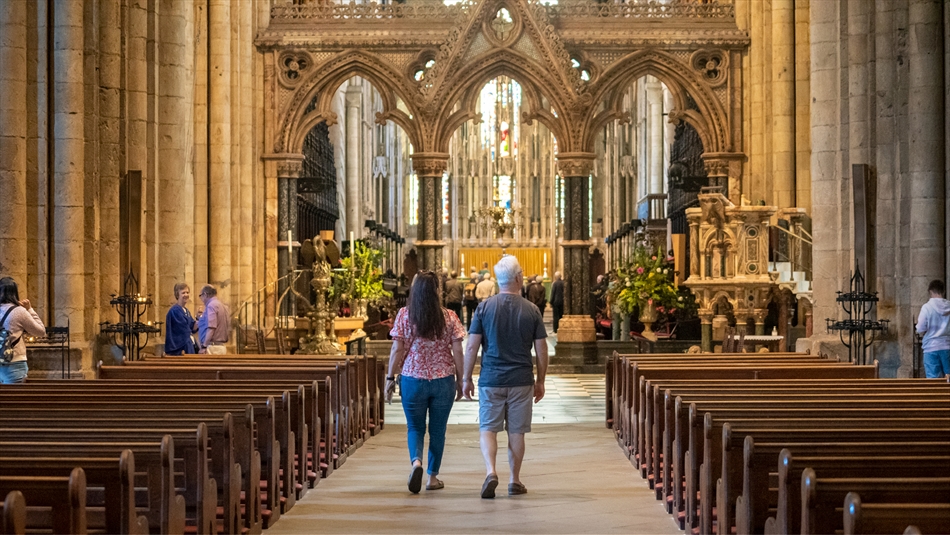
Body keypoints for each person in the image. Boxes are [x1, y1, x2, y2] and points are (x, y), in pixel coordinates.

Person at [463, 256, 548, 499]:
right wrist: (540, 380)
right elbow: (541, 348)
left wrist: (467, 377)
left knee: (488, 428)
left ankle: (491, 472)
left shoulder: (484, 308)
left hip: (491, 379)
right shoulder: (531, 310)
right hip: (521, 379)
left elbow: (472, 347)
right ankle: (515, 480)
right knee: (516, 432)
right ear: (519, 278)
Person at [386, 271, 466, 494]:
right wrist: (462, 379)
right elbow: (458, 350)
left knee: (415, 427)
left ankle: (416, 464)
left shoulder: (404, 315)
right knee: (438, 430)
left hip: (412, 378)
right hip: (443, 380)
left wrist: (390, 377)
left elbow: (397, 348)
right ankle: (432, 477)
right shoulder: (450, 317)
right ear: (437, 291)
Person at [0, 277, 47, 384]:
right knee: (15, 399)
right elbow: (40, 331)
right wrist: (29, 309)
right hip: (14, 363)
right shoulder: (19, 312)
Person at [916, 279, 950, 378]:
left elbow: (920, 328)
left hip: (931, 347)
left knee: (933, 380)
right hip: (948, 346)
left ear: (930, 292)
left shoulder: (927, 307)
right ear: (943, 291)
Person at [165, 282, 198, 355]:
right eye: (183, 293)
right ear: (177, 295)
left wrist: (200, 318)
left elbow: (193, 327)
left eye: (187, 292)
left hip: (188, 346)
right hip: (180, 349)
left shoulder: (186, 311)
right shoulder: (175, 311)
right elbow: (184, 331)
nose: (186, 295)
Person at [197, 285, 230, 353]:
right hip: (220, 346)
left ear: (205, 294)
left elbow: (211, 327)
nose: (201, 299)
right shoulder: (222, 305)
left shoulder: (211, 306)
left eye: (201, 296)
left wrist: (204, 346)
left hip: (212, 347)